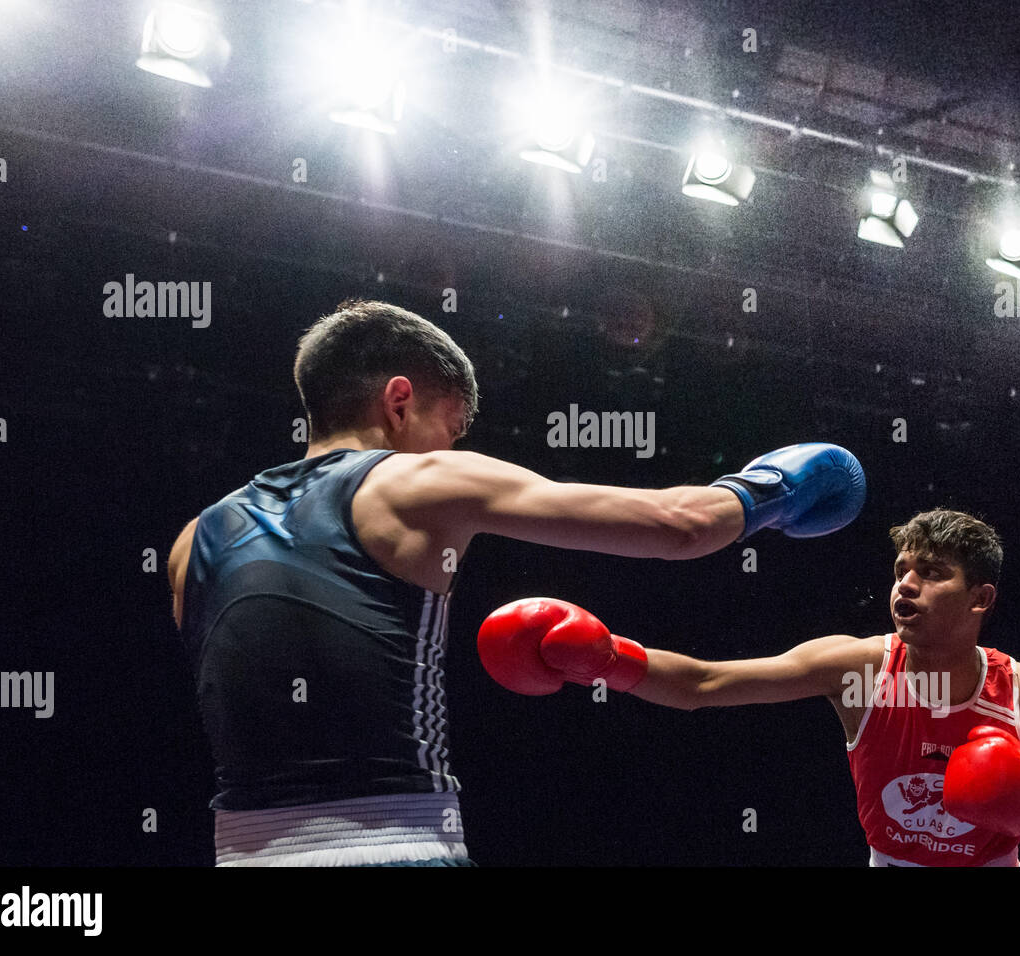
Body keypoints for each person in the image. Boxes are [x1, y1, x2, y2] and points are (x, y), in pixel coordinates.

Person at [166, 297, 866, 866]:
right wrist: (773, 490)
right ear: (400, 401)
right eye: (452, 427)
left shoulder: (194, 538)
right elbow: (678, 524)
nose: (452, 449)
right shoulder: (417, 479)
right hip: (398, 843)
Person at [478, 508, 1020, 866]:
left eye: (932, 574)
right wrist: (609, 659)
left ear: (981, 597)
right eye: (902, 570)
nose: (906, 586)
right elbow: (705, 683)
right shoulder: (857, 670)